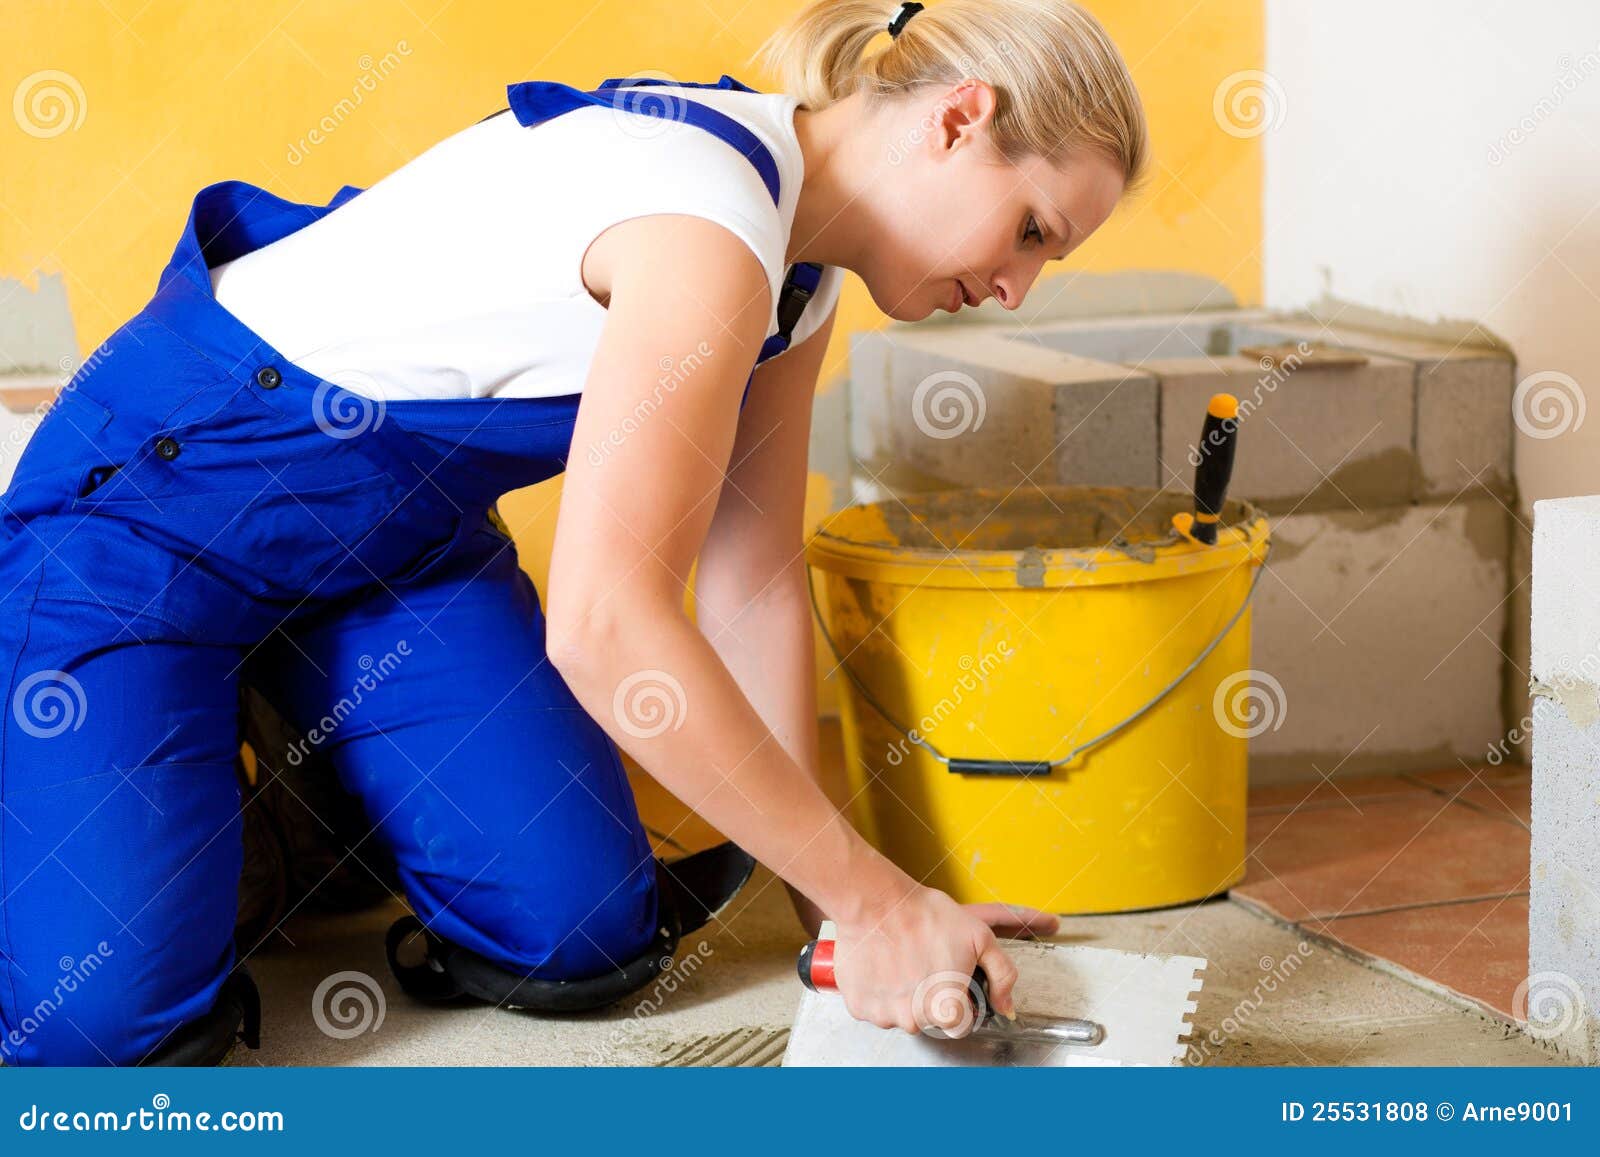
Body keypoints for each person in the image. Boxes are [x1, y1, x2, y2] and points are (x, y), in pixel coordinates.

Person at [0, 0, 1146, 1066]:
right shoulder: (703, 219)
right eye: (1032, 229)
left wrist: (839, 914)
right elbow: (606, 628)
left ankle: (272, 746)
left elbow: (748, 587)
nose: (1016, 287)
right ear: (958, 119)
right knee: (103, 1020)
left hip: (395, 549)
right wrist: (880, 898)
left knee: (578, 936)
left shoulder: (797, 286)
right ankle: (171, 748)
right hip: (148, 523)